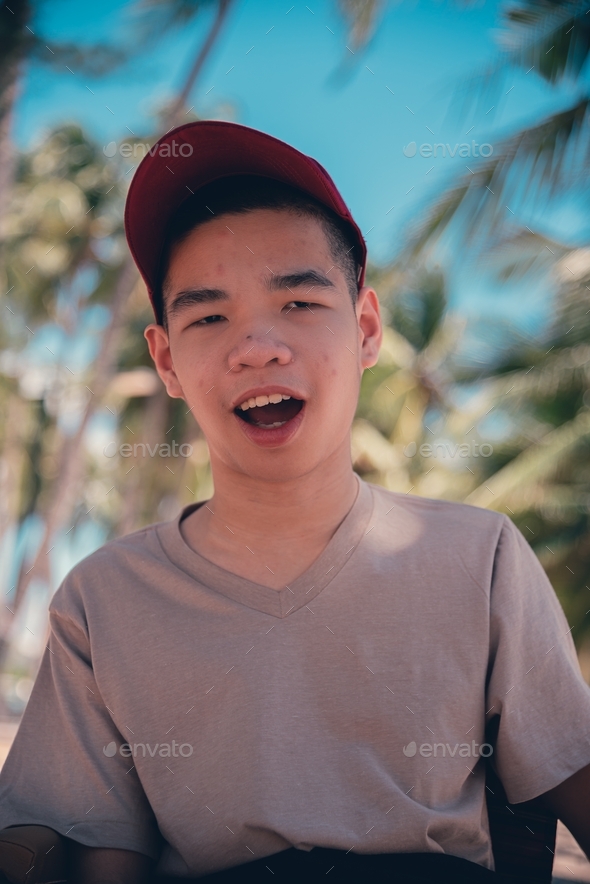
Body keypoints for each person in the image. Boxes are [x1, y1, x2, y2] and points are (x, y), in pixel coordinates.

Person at [1, 122, 590, 884]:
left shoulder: (480, 558)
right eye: (209, 317)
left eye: (301, 303)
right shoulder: (104, 600)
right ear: (166, 360)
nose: (257, 346)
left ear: (367, 328)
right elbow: (93, 858)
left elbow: (570, 773)